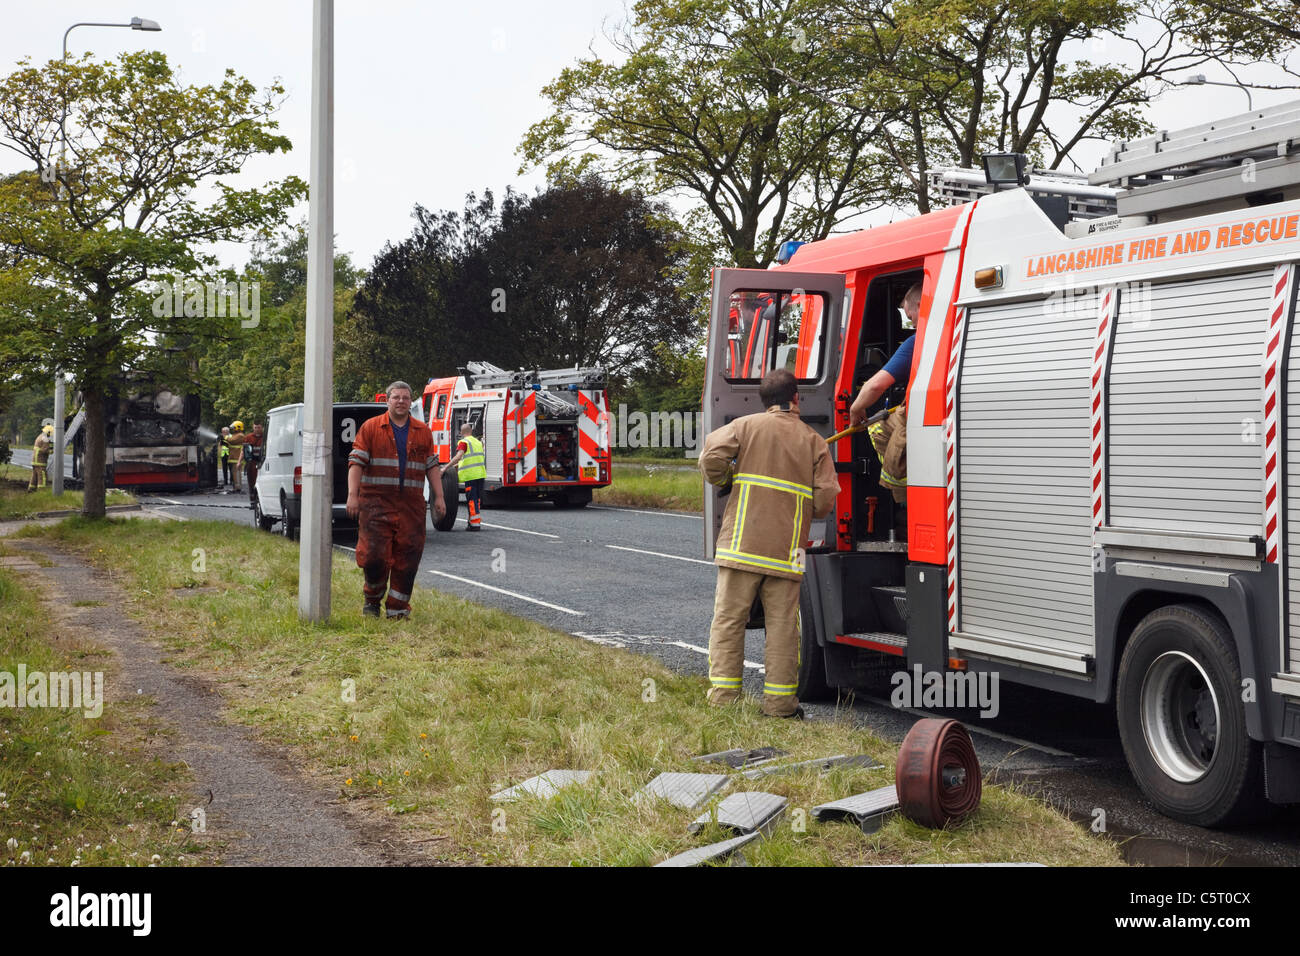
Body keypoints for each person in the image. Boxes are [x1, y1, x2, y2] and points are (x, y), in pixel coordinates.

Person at [698, 368, 839, 718]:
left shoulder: (745, 427)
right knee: (783, 629)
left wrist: (729, 478)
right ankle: (780, 705)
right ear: (796, 399)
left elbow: (710, 459)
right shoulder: (813, 441)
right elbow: (825, 502)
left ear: (764, 402)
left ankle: (723, 701)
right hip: (788, 553)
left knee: (729, 620)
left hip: (740, 545)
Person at [346, 381, 447, 619]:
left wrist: (439, 496)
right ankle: (372, 600)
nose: (401, 401)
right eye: (396, 397)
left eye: (405, 398)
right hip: (375, 505)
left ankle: (398, 609)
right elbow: (356, 462)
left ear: (410, 401)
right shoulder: (371, 428)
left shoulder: (423, 431)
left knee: (408, 558)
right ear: (387, 401)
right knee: (374, 557)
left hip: (410, 507)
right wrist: (352, 495)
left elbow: (431, 465)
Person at [848, 282, 923, 426]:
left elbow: (875, 385)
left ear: (920, 306)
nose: (912, 324)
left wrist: (855, 408)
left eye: (910, 317)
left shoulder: (917, 342)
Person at [445, 423, 485, 531]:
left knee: (472, 500)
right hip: (480, 475)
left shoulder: (464, 442)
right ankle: (473, 521)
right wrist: (455, 466)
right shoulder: (477, 442)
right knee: (477, 500)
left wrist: (445, 468)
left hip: (470, 476)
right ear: (471, 431)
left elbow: (458, 457)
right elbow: (470, 459)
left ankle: (475, 525)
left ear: (462, 433)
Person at [240, 422, 264, 503]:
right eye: (255, 427)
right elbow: (243, 451)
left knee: (262, 482)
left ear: (262, 428)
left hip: (263, 463)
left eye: (259, 427)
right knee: (252, 483)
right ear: (253, 428)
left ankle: (261, 501)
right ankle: (253, 501)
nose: (257, 429)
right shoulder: (248, 437)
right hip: (251, 463)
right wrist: (239, 461)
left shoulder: (266, 437)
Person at [28, 425, 53, 492]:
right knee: (42, 477)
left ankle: (31, 489)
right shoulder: (45, 439)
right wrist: (52, 451)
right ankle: (42, 491)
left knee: (34, 476)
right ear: (48, 432)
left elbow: (41, 448)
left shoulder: (40, 436)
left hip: (35, 461)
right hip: (40, 461)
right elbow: (45, 450)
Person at [226, 421, 246, 494]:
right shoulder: (236, 434)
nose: (233, 429)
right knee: (234, 473)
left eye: (234, 428)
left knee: (237, 473)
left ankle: (238, 488)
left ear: (238, 427)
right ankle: (235, 487)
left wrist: (225, 437)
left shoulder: (240, 435)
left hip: (237, 459)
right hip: (233, 458)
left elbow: (231, 441)